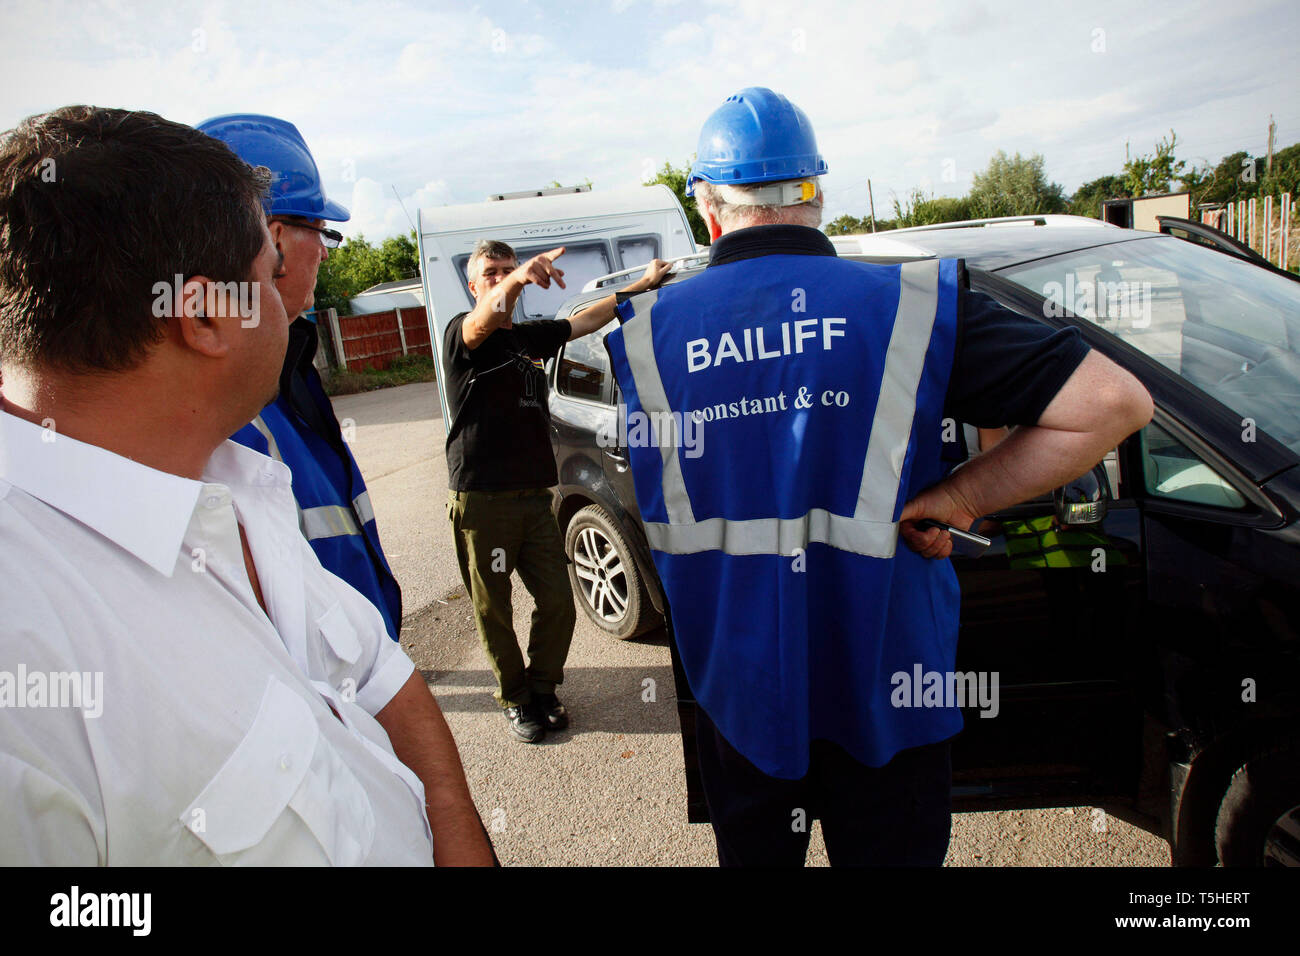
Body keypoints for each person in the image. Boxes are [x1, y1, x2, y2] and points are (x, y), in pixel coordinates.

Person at [605, 87, 1154, 866]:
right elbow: (1114, 403)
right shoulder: (910, 305)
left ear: (706, 207)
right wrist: (962, 495)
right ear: (815, 195)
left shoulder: (646, 334)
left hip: (743, 696)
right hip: (890, 694)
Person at [0, 106, 493, 865]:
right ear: (204, 314)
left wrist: (459, 837)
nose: (294, 294)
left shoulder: (224, 483)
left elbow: (373, 672)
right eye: (268, 270)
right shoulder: (28, 663)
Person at [444, 240, 670, 742]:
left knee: (558, 603)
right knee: (494, 610)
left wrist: (641, 284)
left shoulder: (525, 338)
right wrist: (521, 276)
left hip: (533, 497)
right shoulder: (464, 335)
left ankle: (543, 688)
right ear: (473, 284)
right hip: (484, 500)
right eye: (492, 273)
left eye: (507, 269)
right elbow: (483, 321)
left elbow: (586, 321)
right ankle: (516, 699)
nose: (501, 278)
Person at [197, 114, 403, 642]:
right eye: (322, 231)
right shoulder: (225, 407)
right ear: (276, 239)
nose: (329, 251)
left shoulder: (282, 370)